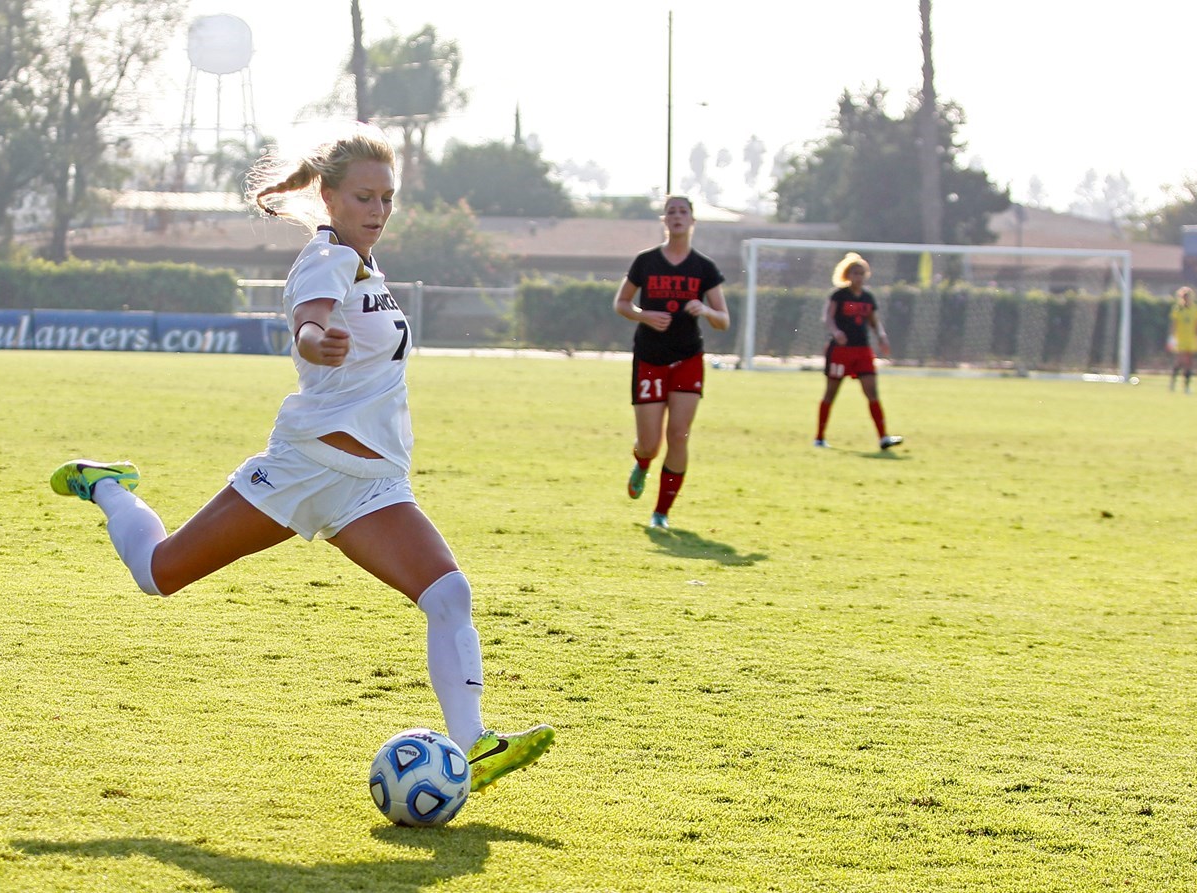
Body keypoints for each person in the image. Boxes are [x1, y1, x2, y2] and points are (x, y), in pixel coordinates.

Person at [48, 125, 552, 793]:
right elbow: (309, 322)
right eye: (365, 197)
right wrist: (315, 341)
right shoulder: (326, 258)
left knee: (448, 592)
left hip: (371, 484)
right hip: (303, 470)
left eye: (388, 198)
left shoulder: (371, 267)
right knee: (157, 572)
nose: (378, 210)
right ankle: (108, 485)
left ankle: (474, 745)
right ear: (331, 197)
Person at [612, 195, 730, 530]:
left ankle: (661, 513)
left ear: (693, 221)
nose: (677, 216)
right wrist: (643, 315)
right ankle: (643, 463)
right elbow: (622, 303)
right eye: (671, 212)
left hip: (688, 357)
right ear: (664, 220)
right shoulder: (646, 261)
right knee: (650, 443)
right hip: (650, 358)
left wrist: (704, 310)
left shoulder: (704, 268)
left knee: (678, 435)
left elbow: (724, 319)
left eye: (683, 212)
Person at [814, 252, 903, 450]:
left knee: (872, 391)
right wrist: (836, 332)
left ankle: (883, 438)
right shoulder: (839, 295)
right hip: (841, 351)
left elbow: (874, 322)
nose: (859, 277)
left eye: (862, 273)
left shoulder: (868, 297)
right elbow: (828, 318)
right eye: (855, 273)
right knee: (831, 393)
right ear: (848, 274)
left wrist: (881, 336)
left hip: (862, 350)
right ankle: (819, 437)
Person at [1167, 286, 1197, 393]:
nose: (1186, 299)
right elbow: (1174, 324)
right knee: (1181, 361)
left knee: (1189, 362)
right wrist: (1171, 338)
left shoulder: (1195, 309)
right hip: (1181, 339)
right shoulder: (1177, 309)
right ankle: (1173, 381)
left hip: (1191, 338)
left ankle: (1186, 386)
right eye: (1184, 296)